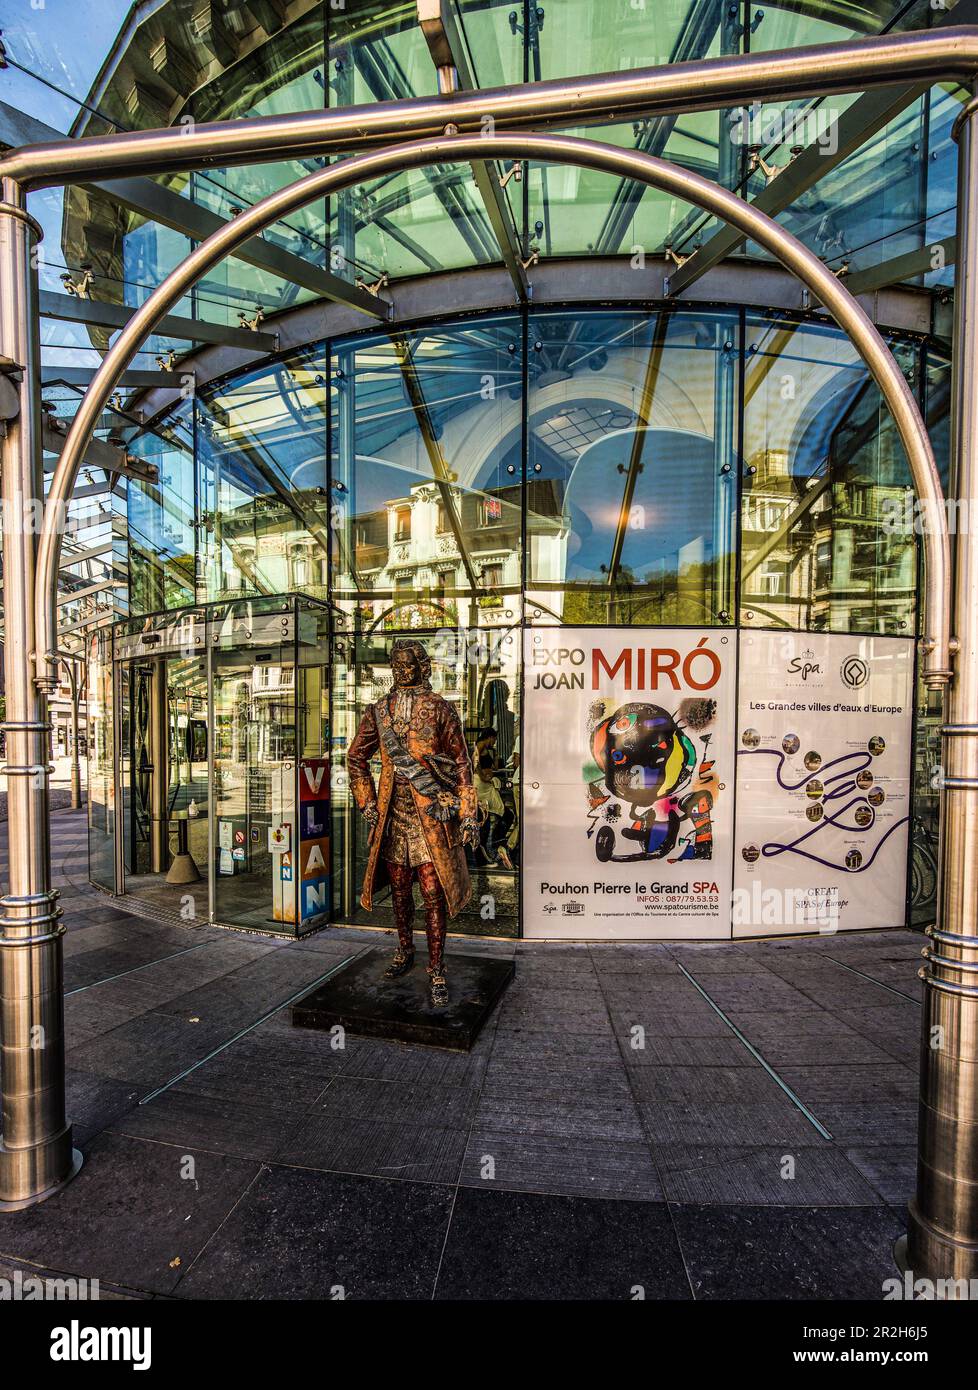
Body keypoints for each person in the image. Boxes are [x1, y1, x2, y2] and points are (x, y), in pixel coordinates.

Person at [347, 638, 479, 1007]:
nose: (402, 671)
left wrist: (467, 813)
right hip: (393, 816)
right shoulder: (379, 710)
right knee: (400, 891)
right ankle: (405, 950)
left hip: (431, 818)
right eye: (396, 664)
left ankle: (436, 967)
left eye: (409, 665)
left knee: (433, 895)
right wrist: (367, 803)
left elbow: (463, 762)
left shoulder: (440, 708)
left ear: (423, 667)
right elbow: (356, 757)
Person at [474, 752, 514, 870]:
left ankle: (494, 847)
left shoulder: (474, 775)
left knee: (483, 829)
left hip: (480, 801)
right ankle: (497, 844)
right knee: (507, 817)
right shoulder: (486, 773)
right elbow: (489, 774)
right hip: (487, 800)